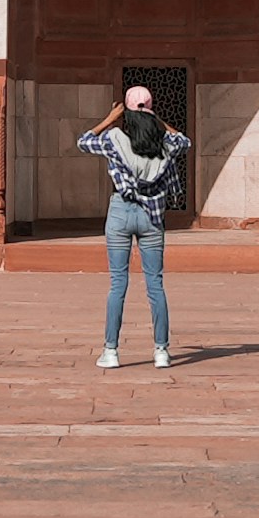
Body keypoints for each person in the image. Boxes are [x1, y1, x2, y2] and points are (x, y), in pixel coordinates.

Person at [77, 87, 191, 370]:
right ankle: (161, 351)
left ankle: (111, 351)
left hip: (121, 212)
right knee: (155, 284)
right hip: (152, 216)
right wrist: (156, 119)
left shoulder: (115, 138)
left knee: (118, 284)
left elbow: (83, 141)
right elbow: (184, 141)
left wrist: (110, 118)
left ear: (125, 112)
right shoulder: (166, 144)